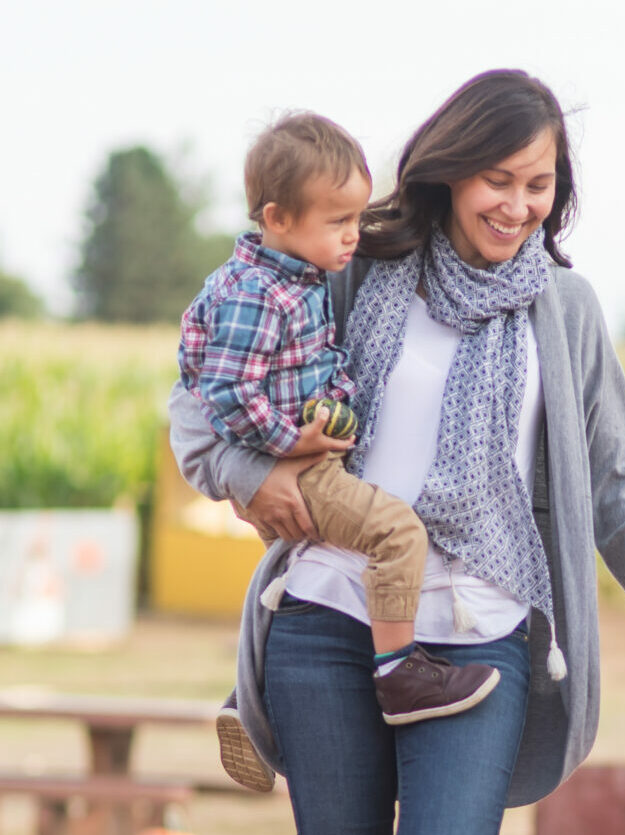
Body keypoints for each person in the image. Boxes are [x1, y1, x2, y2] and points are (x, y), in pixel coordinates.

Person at [168, 70, 625, 835]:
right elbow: (205, 390)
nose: (516, 204)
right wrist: (252, 478)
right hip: (330, 612)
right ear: (449, 171)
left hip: (480, 629)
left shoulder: (562, 310)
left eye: (539, 184)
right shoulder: (357, 264)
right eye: (496, 180)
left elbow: (619, 478)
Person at [180, 111, 500, 758]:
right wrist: (286, 444)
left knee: (285, 568)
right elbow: (223, 390)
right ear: (276, 218)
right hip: (303, 464)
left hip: (308, 452)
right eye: (338, 222)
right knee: (396, 532)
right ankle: (399, 672)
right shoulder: (260, 295)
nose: (353, 237)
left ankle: (251, 698)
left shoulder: (296, 275)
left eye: (357, 218)